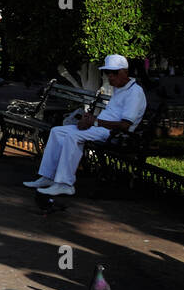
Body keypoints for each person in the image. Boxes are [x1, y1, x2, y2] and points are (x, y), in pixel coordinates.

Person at [22, 54, 147, 197]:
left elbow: (125, 125)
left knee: (72, 136)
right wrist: (89, 119)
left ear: (124, 72)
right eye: (107, 73)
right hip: (100, 127)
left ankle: (64, 184)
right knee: (57, 131)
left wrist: (94, 122)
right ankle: (48, 177)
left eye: (113, 73)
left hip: (114, 133)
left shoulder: (135, 93)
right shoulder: (119, 89)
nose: (109, 76)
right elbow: (110, 115)